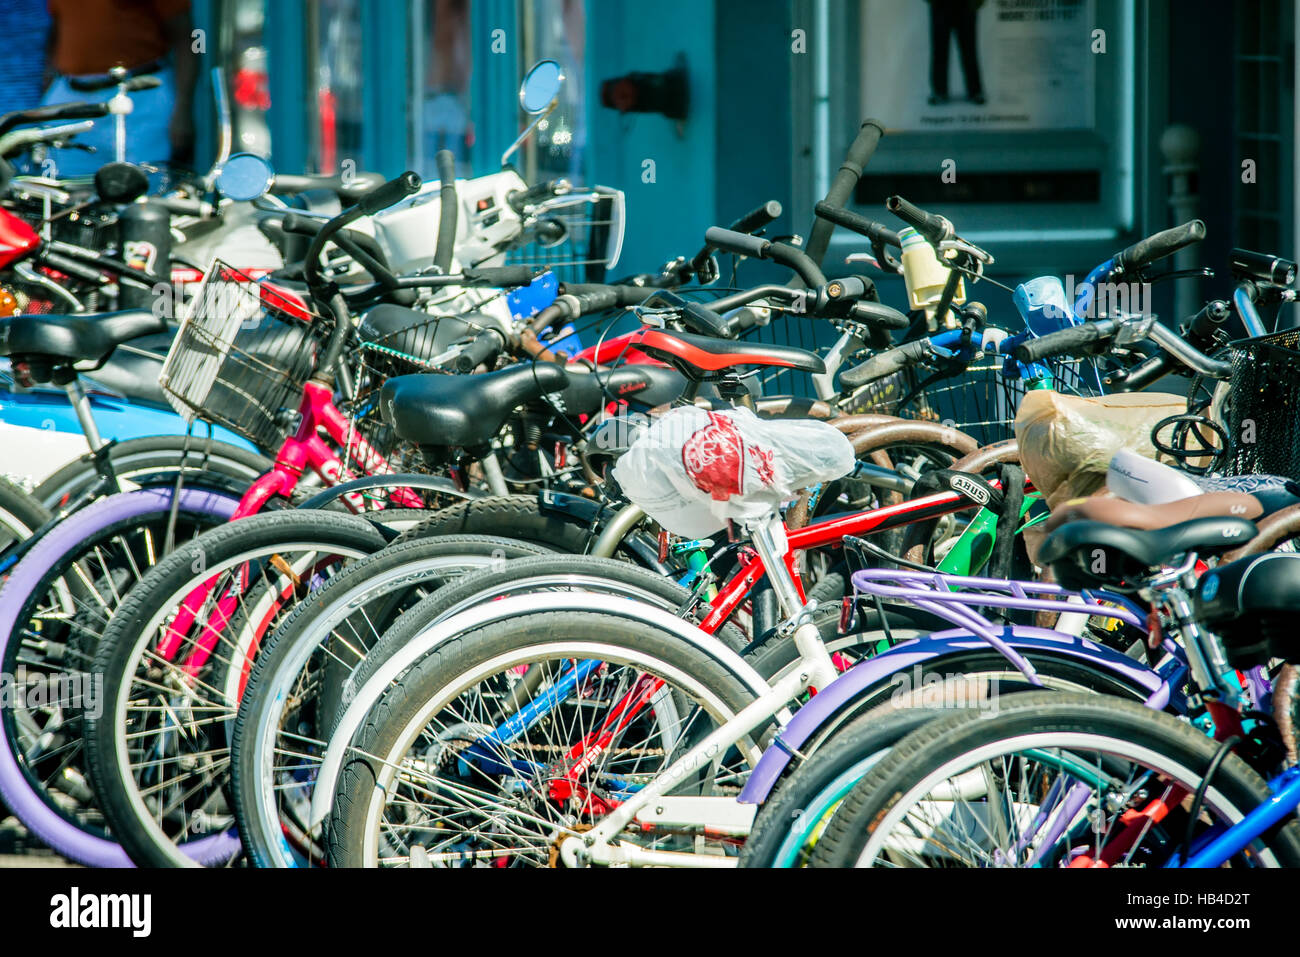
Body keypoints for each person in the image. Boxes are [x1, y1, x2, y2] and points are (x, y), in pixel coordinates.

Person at [39, 0, 198, 179]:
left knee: (138, 189)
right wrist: (49, 86)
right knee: (69, 191)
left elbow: (188, 37)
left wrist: (183, 108)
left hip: (138, 95)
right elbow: (57, 29)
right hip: (71, 95)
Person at [927, 0, 985, 106]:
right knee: (942, 50)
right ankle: (940, 91)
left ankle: (974, 91)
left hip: (964, 5)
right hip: (942, 5)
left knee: (968, 50)